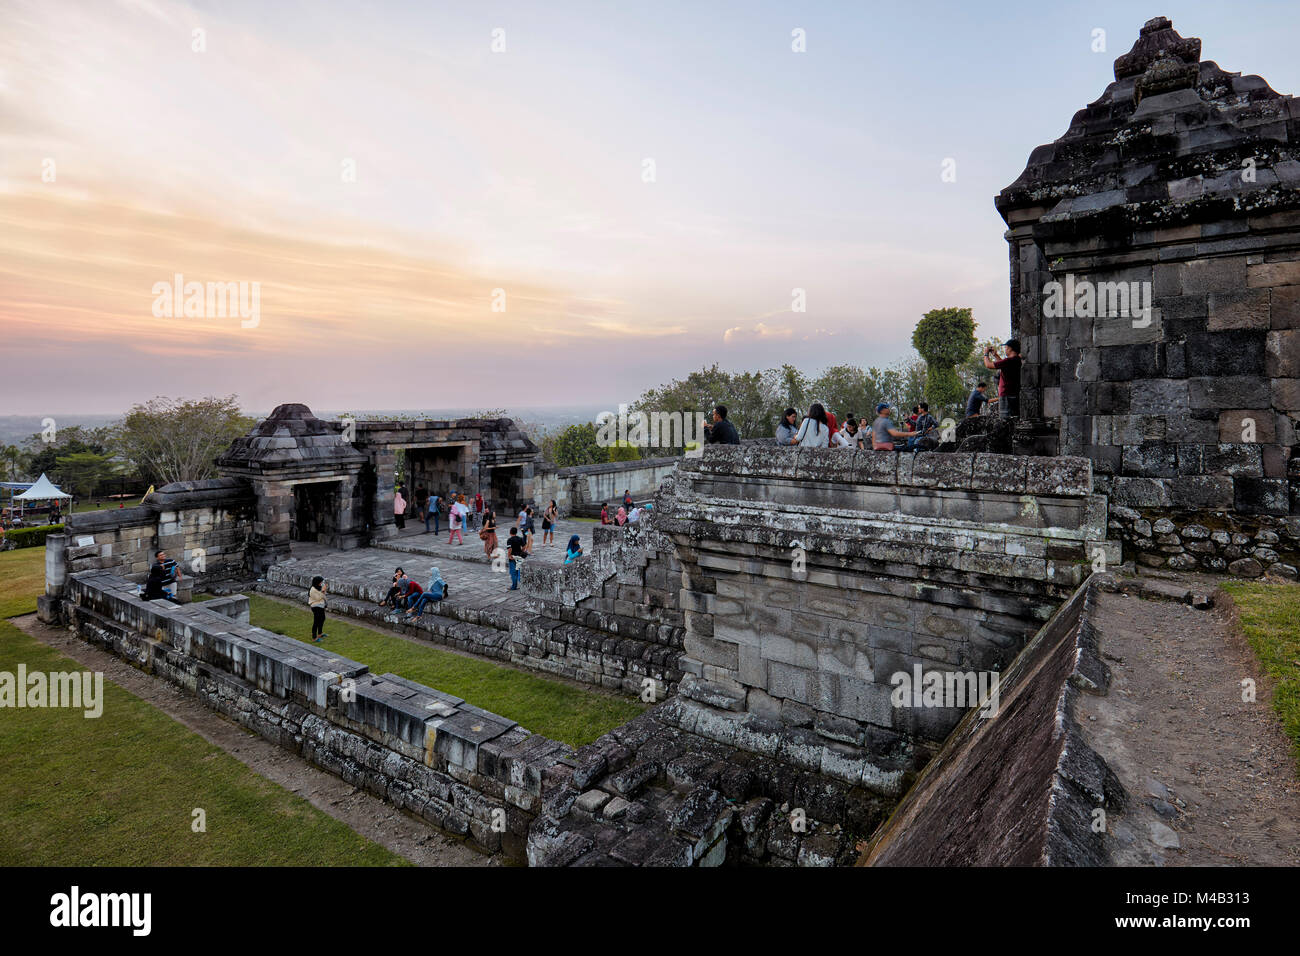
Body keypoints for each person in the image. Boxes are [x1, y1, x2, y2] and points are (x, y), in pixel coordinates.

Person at [983, 339, 1023, 418]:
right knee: (1013, 418)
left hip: (1006, 395)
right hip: (1015, 394)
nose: (1005, 350)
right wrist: (995, 355)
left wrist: (986, 354)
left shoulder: (1008, 361)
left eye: (1005, 348)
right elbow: (1003, 365)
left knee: (1005, 421)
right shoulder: (1017, 360)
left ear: (1010, 348)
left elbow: (988, 365)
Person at [505, 526, 527, 590]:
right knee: (519, 572)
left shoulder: (509, 540)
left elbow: (510, 549)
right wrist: (521, 551)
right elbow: (524, 546)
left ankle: (514, 586)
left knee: (513, 573)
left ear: (510, 532)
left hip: (513, 558)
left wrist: (509, 556)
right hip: (519, 556)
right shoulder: (520, 538)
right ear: (516, 532)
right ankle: (523, 586)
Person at [308, 576, 328, 642]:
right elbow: (318, 598)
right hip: (315, 606)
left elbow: (323, 595)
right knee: (316, 621)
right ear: (317, 582)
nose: (321, 583)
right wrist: (323, 591)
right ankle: (314, 637)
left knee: (322, 619)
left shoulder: (319, 587)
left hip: (321, 605)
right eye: (320, 582)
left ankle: (320, 633)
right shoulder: (312, 590)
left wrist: (324, 591)